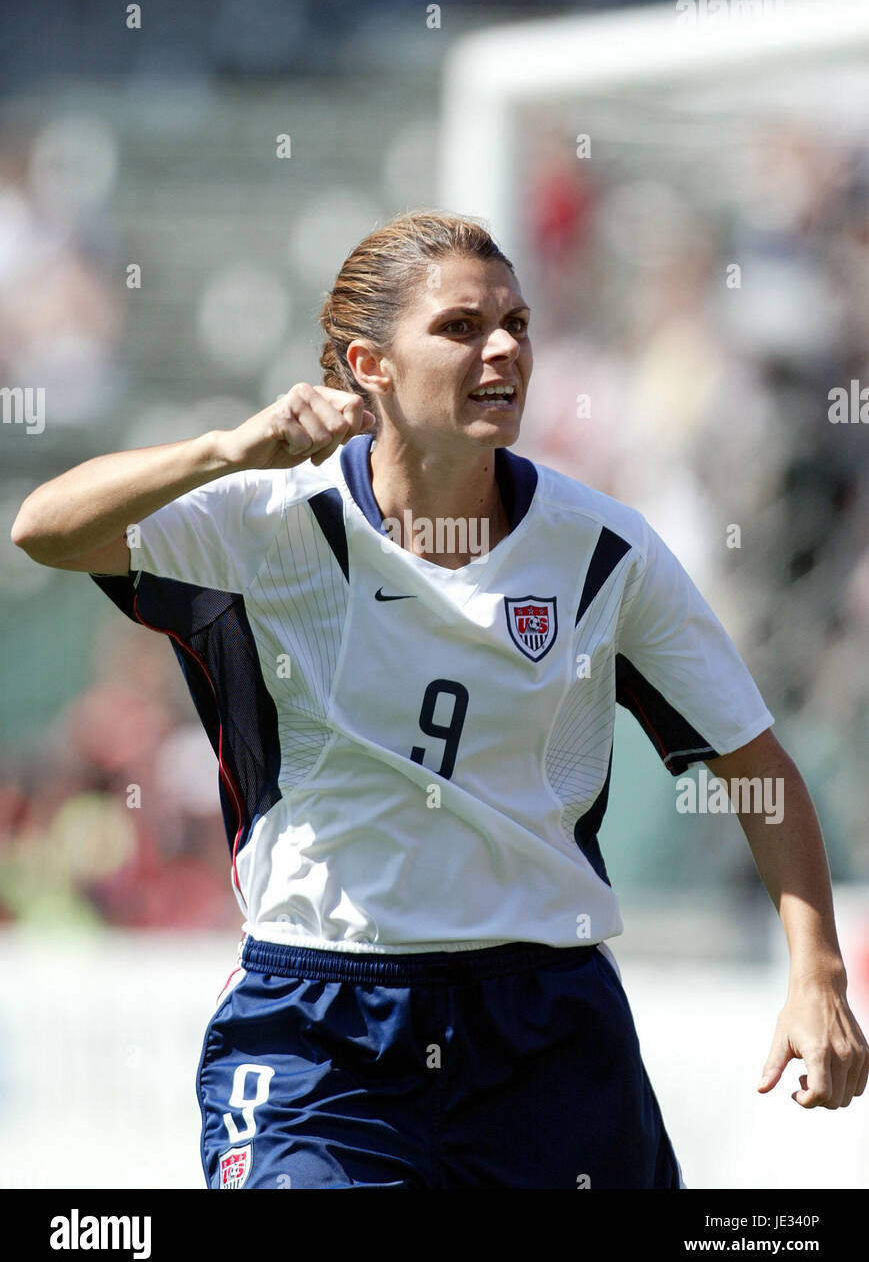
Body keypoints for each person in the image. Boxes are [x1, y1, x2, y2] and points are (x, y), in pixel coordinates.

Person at [11, 209, 867, 1190]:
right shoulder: (269, 523)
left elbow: (753, 765)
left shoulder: (601, 553)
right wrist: (224, 451)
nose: (502, 347)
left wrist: (815, 972)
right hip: (319, 1026)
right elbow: (45, 528)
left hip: (543, 1023)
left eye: (516, 322)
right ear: (367, 365)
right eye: (461, 327)